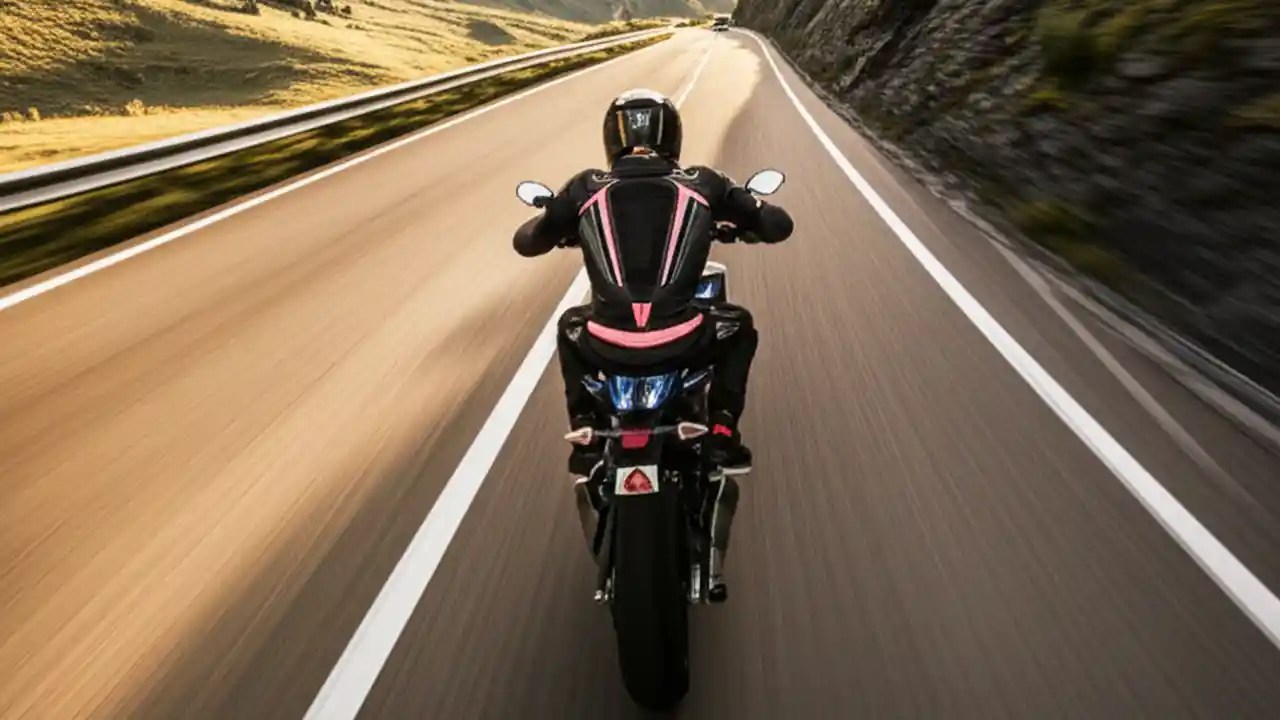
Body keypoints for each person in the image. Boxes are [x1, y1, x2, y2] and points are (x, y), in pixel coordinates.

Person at [513, 88, 794, 479]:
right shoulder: (702, 183)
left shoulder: (586, 188)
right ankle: (723, 433)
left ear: (612, 138)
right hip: (685, 341)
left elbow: (525, 243)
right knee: (740, 326)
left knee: (568, 326)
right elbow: (780, 226)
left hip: (605, 343)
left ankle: (587, 434)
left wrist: (553, 219)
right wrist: (750, 210)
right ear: (673, 137)